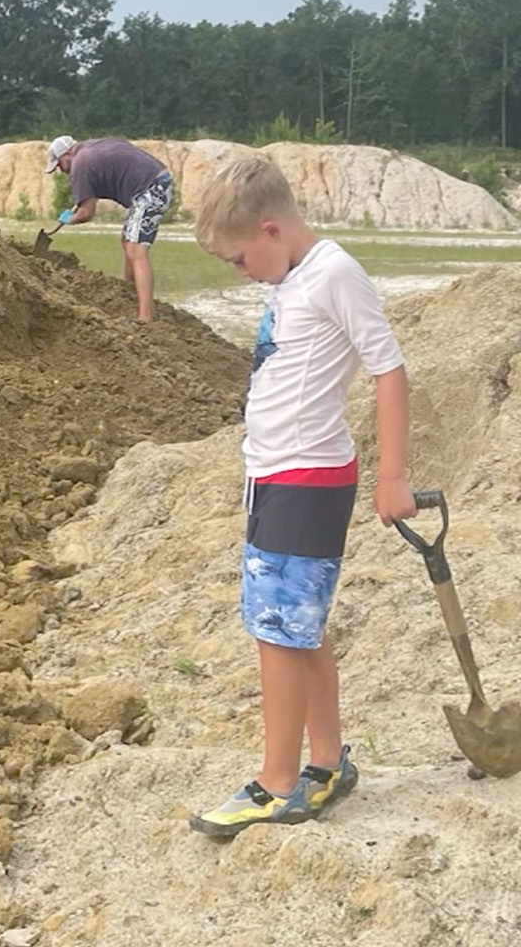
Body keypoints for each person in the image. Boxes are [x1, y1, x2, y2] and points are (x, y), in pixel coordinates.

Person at [186, 155, 414, 837]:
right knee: (296, 626)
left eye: (238, 259)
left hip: (307, 479)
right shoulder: (291, 277)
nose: (240, 272)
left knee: (275, 635)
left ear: (271, 229)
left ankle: (275, 781)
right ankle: (327, 762)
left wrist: (392, 475)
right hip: (274, 475)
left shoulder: (335, 273)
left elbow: (390, 369)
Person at [46, 134, 175, 324]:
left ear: (67, 154)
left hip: (151, 189)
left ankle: (145, 317)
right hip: (156, 182)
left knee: (136, 249)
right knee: (126, 242)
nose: (60, 170)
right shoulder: (92, 148)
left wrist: (68, 219)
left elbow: (85, 213)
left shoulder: (80, 164)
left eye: (59, 165)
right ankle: (128, 294)